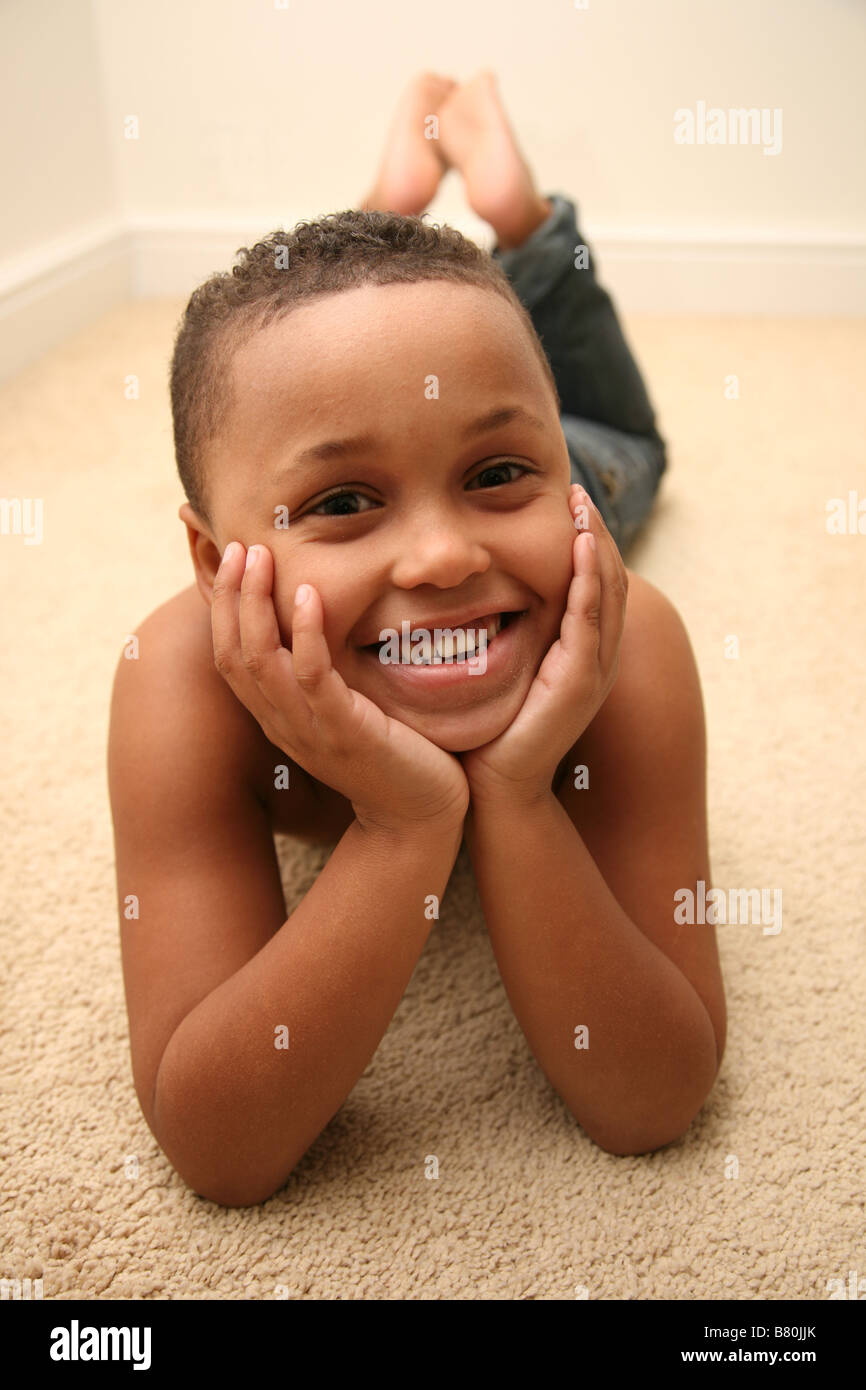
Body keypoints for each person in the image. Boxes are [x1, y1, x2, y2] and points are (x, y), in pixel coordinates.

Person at [108, 71, 726, 1208]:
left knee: (626, 442)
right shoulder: (179, 682)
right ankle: (420, 217)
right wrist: (404, 826)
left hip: (582, 464)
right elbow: (219, 1145)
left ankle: (523, 225)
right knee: (323, 360)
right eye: (342, 502)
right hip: (512, 494)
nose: (441, 556)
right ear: (212, 568)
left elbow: (650, 1096)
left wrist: (523, 792)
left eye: (496, 473)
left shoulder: (615, 640)